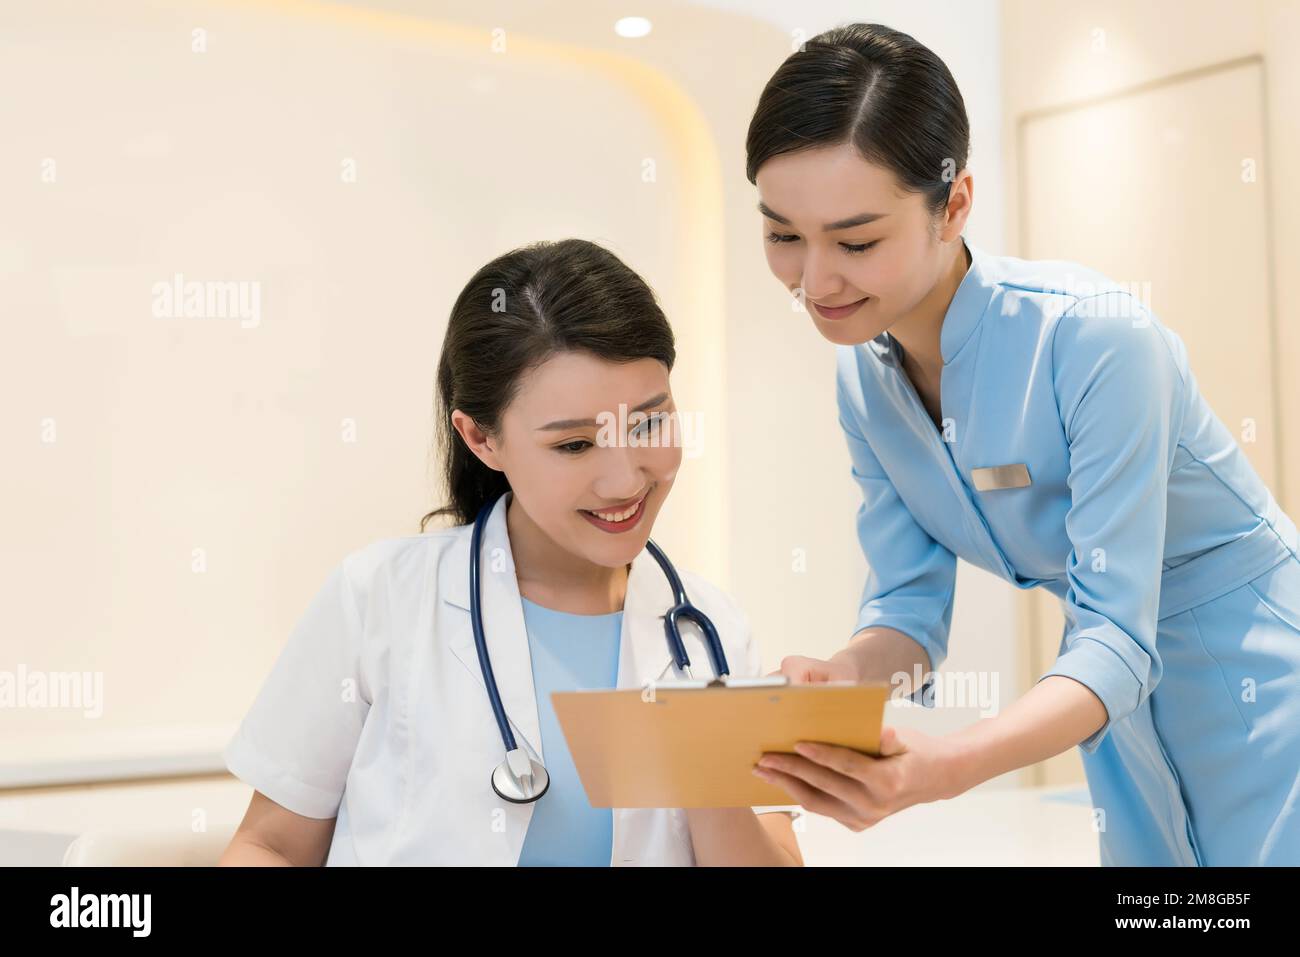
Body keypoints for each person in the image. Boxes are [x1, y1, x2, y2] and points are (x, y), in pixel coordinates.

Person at [745, 22, 1300, 866]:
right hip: (1109, 704)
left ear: (954, 204)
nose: (814, 281)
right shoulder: (865, 378)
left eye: (856, 241)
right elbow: (905, 612)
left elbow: (1118, 633)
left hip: (1264, 688)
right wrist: (843, 681)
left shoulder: (1094, 339)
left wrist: (953, 764)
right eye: (784, 234)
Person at [219, 239, 801, 866]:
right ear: (481, 438)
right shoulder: (379, 599)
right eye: (575, 446)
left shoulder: (711, 632)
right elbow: (268, 847)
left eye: (648, 424)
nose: (624, 479)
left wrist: (709, 772)